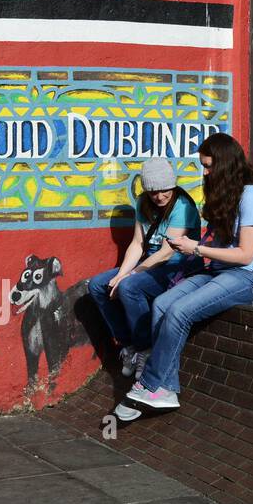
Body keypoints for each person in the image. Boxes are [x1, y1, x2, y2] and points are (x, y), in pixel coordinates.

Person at [124, 134, 253, 415]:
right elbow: (220, 247)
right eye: (203, 166)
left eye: (208, 166)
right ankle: (166, 389)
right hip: (221, 270)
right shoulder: (227, 195)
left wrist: (196, 248)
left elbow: (246, 254)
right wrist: (195, 250)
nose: (204, 172)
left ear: (224, 165)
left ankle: (151, 384)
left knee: (180, 311)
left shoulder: (252, 195)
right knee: (162, 304)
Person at [87, 158, 201, 384]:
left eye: (164, 190)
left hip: (176, 267)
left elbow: (167, 253)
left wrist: (129, 276)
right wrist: (120, 275)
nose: (159, 196)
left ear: (173, 184)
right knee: (98, 285)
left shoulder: (183, 207)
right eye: (153, 191)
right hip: (149, 262)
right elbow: (137, 243)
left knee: (129, 287)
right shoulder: (143, 203)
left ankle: (145, 348)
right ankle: (129, 345)